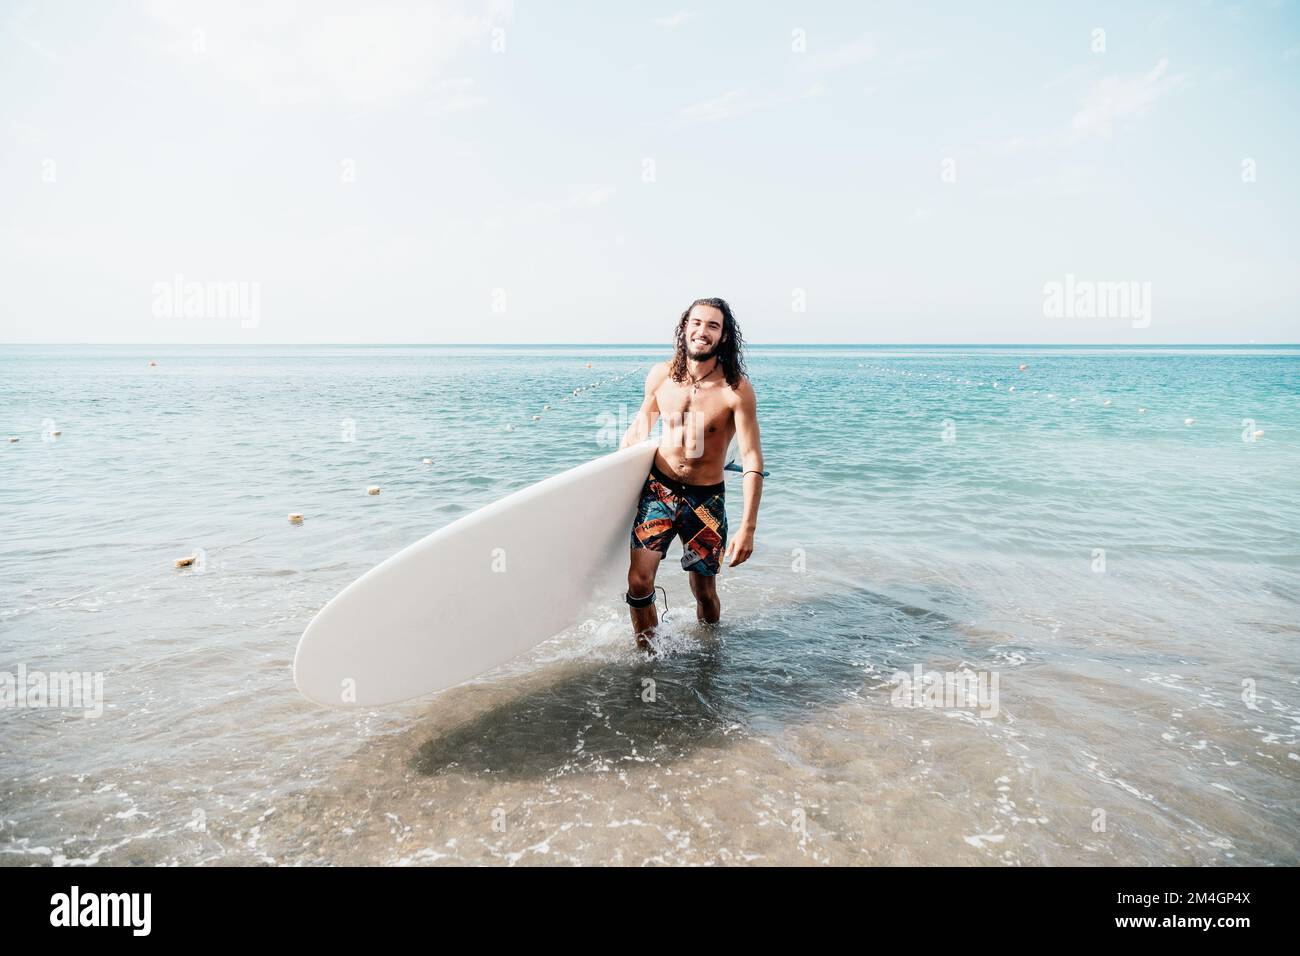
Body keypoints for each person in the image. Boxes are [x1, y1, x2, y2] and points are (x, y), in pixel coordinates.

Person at [619, 297, 764, 650]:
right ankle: (648, 656)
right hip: (659, 491)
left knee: (704, 592)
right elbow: (640, 427)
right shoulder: (660, 375)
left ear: (724, 336)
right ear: (685, 327)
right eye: (696, 323)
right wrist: (615, 485)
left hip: (706, 501)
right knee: (639, 582)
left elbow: (751, 458)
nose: (702, 331)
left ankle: (710, 654)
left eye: (713, 326)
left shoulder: (736, 390)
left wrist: (747, 528)